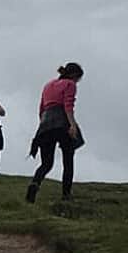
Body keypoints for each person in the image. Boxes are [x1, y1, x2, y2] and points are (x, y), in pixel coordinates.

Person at [26, 63, 85, 203]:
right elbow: (68, 105)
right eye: (78, 78)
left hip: (46, 124)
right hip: (62, 122)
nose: (78, 82)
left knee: (46, 163)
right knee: (68, 159)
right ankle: (66, 194)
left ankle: (34, 184)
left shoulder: (48, 85)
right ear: (74, 75)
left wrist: (42, 126)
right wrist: (72, 125)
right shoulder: (70, 84)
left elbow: (41, 108)